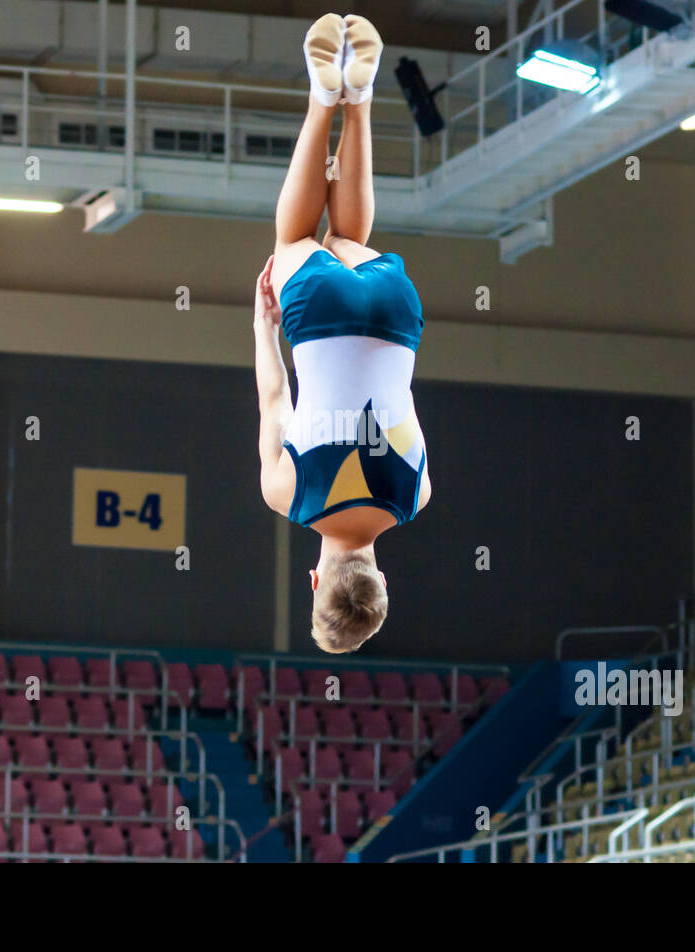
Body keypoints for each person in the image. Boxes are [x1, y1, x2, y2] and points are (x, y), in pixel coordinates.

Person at [254, 13, 431, 654]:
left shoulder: (417, 494)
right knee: (294, 240)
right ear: (314, 580)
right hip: (320, 322)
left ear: (380, 577)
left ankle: (360, 99)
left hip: (394, 317)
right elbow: (276, 400)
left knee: (347, 239)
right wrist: (263, 328)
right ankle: (321, 98)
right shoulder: (289, 496)